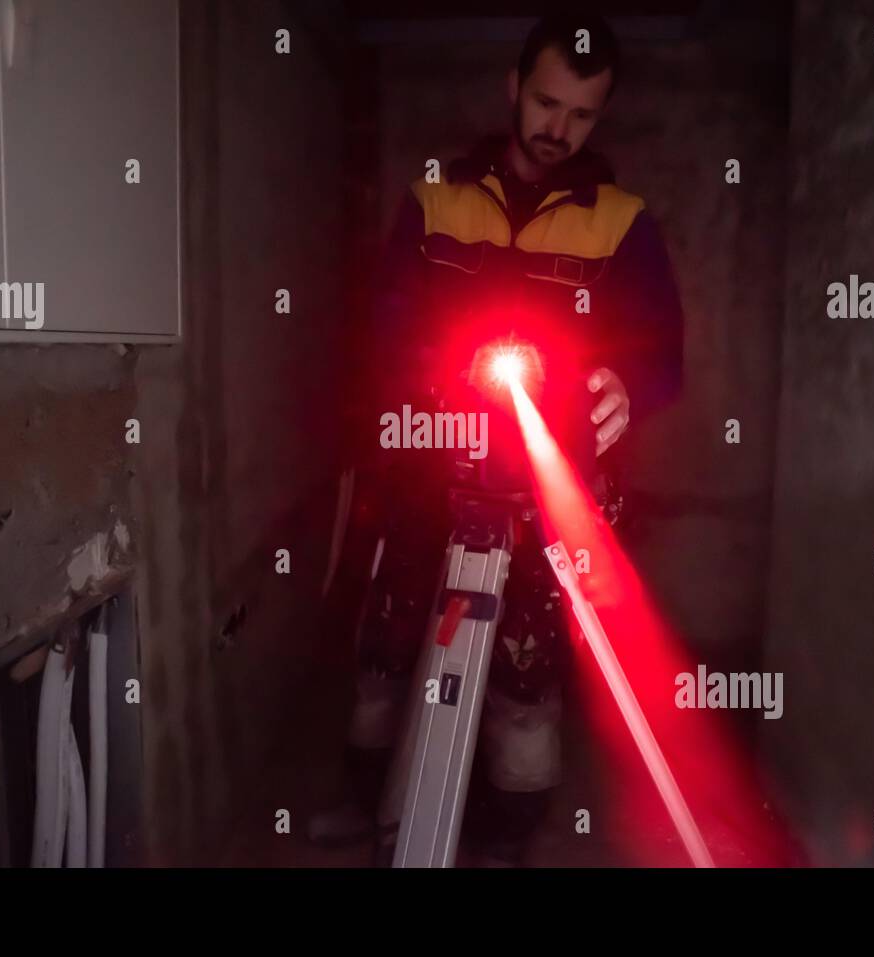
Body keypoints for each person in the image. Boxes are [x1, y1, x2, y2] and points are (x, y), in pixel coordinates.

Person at [311, 13, 684, 866]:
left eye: (582, 115)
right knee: (384, 665)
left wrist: (629, 386)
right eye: (547, 102)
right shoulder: (436, 198)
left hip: (546, 502)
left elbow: (664, 355)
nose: (559, 128)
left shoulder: (623, 222)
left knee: (525, 691)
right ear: (513, 88)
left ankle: (504, 843)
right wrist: (448, 366)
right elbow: (381, 328)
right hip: (422, 482)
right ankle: (371, 810)